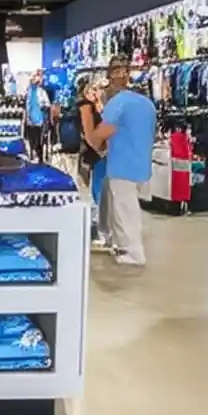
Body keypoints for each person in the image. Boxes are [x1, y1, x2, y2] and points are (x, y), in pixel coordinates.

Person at [87, 57, 157, 266]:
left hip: (122, 164)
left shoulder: (117, 103)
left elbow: (105, 130)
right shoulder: (145, 102)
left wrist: (92, 138)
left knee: (125, 210)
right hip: (141, 162)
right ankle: (113, 240)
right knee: (117, 205)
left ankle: (133, 253)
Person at [76, 78, 109, 250]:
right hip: (96, 155)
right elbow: (89, 134)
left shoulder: (95, 106)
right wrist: (101, 149)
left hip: (98, 154)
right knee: (97, 190)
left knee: (100, 189)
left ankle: (99, 228)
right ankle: (96, 230)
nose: (96, 92)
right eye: (93, 89)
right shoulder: (85, 107)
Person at [24, 69, 51, 163]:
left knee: (39, 141)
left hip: (39, 120)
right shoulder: (29, 92)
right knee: (32, 140)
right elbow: (27, 107)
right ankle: (34, 156)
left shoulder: (42, 92)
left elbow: (47, 105)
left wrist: (44, 109)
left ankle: (40, 159)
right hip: (31, 121)